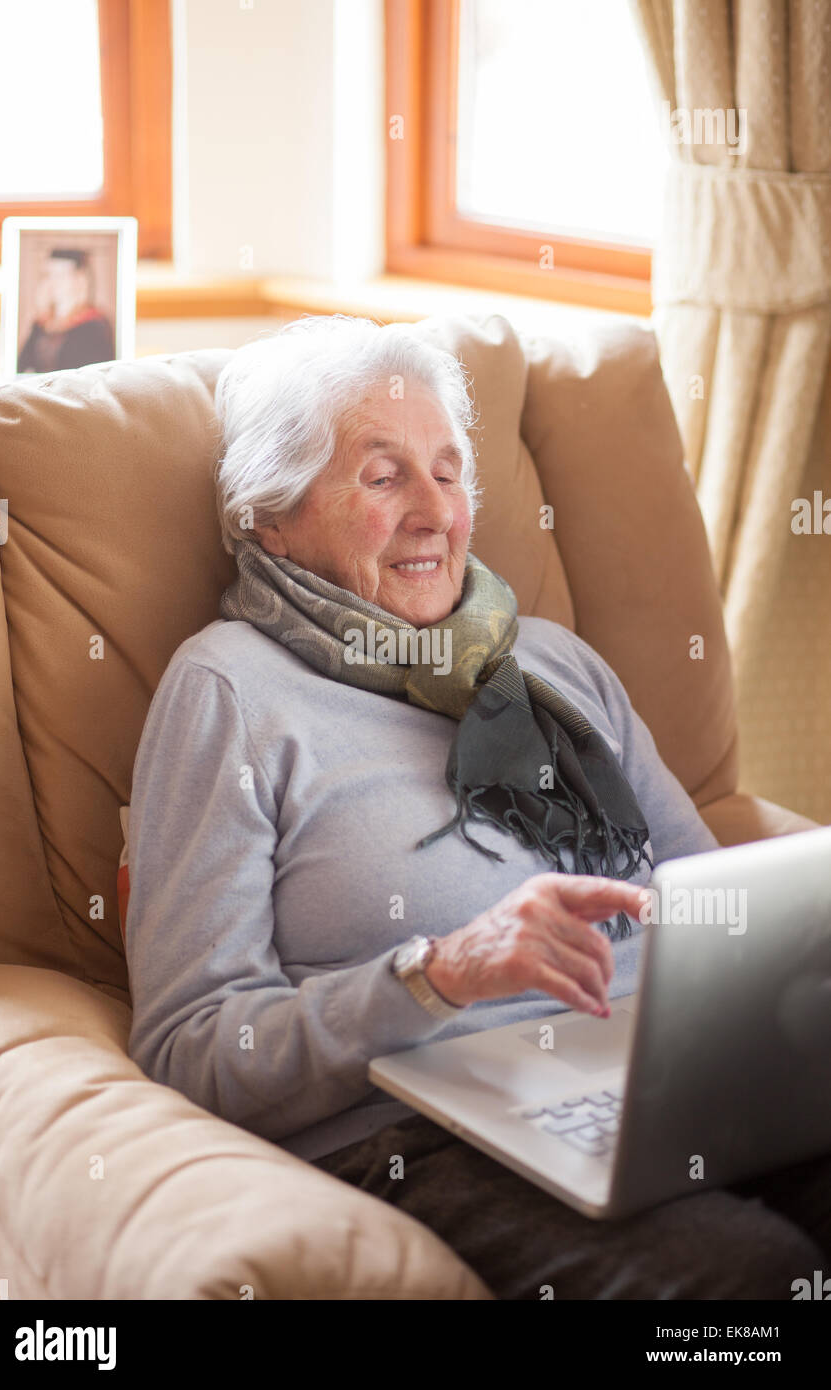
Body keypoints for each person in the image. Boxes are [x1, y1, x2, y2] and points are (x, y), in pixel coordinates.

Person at [124, 314, 830, 1300]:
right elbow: (192, 1044)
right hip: (423, 1135)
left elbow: (711, 896)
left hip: (651, 1084)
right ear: (268, 514)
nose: (433, 512)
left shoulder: (548, 661)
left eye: (448, 472)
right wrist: (440, 972)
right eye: (382, 477)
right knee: (754, 1278)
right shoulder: (230, 692)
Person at [17, 247, 115, 373]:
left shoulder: (93, 325)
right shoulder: (41, 324)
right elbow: (21, 366)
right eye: (48, 275)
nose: (53, 282)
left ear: (80, 279)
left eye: (61, 275)